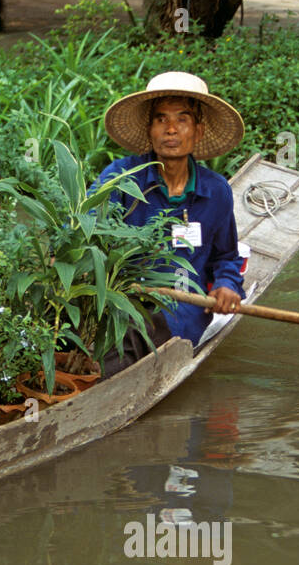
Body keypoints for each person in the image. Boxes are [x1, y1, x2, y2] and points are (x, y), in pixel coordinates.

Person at [92, 71, 246, 354]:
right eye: (161, 119)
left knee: (144, 330)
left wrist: (226, 284)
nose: (171, 129)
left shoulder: (216, 192)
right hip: (121, 298)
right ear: (149, 130)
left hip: (181, 309)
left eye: (182, 119)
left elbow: (226, 257)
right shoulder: (121, 177)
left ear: (198, 131)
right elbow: (83, 231)